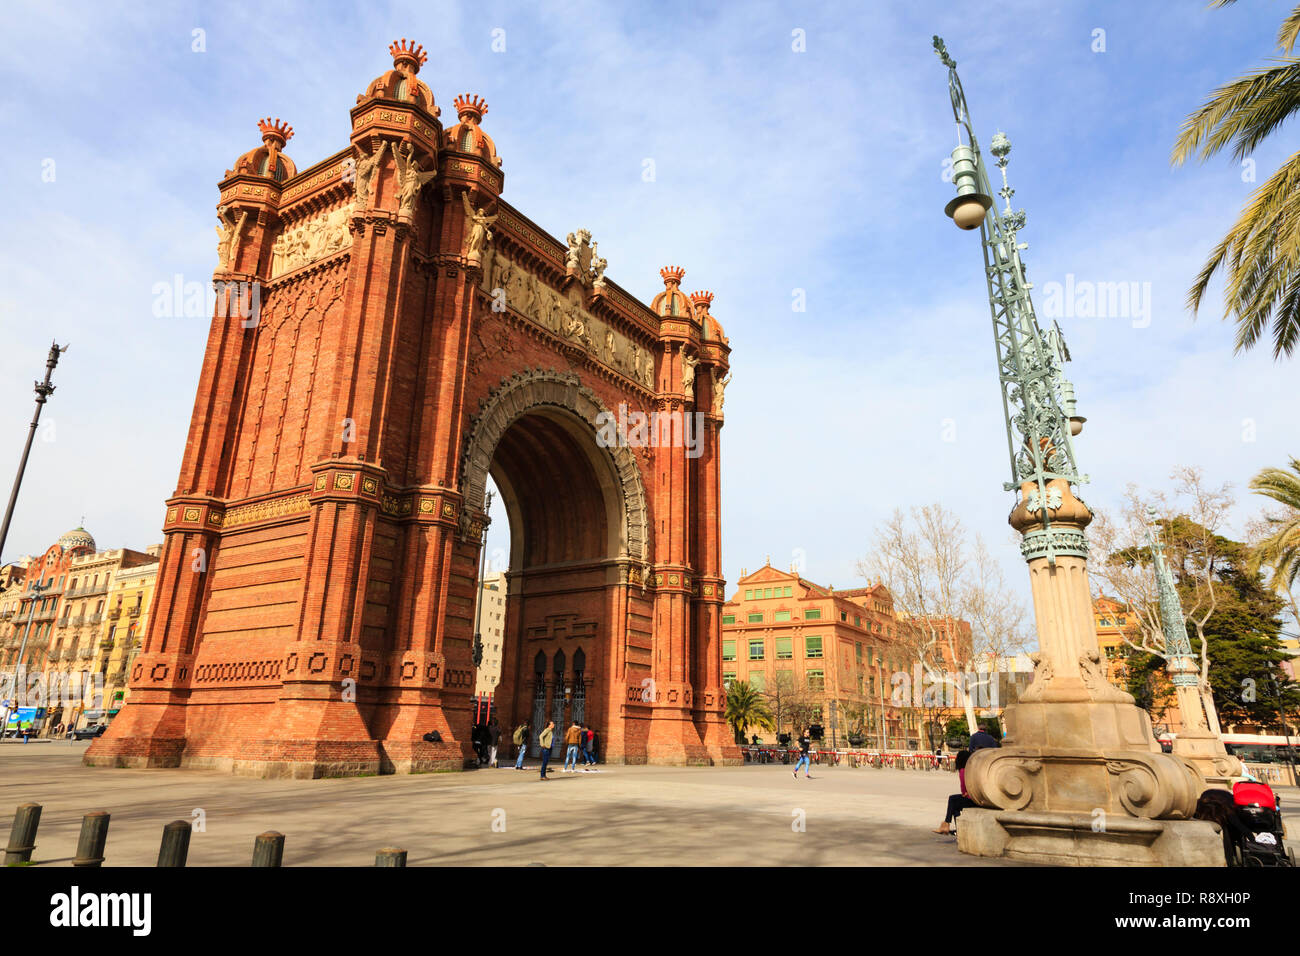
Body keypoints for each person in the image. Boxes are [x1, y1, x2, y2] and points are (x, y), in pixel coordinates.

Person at [934, 749, 976, 834]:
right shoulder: (971, 769)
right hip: (976, 798)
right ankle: (957, 829)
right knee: (955, 806)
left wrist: (966, 793)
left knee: (952, 799)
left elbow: (964, 790)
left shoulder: (963, 771)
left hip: (972, 800)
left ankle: (946, 824)